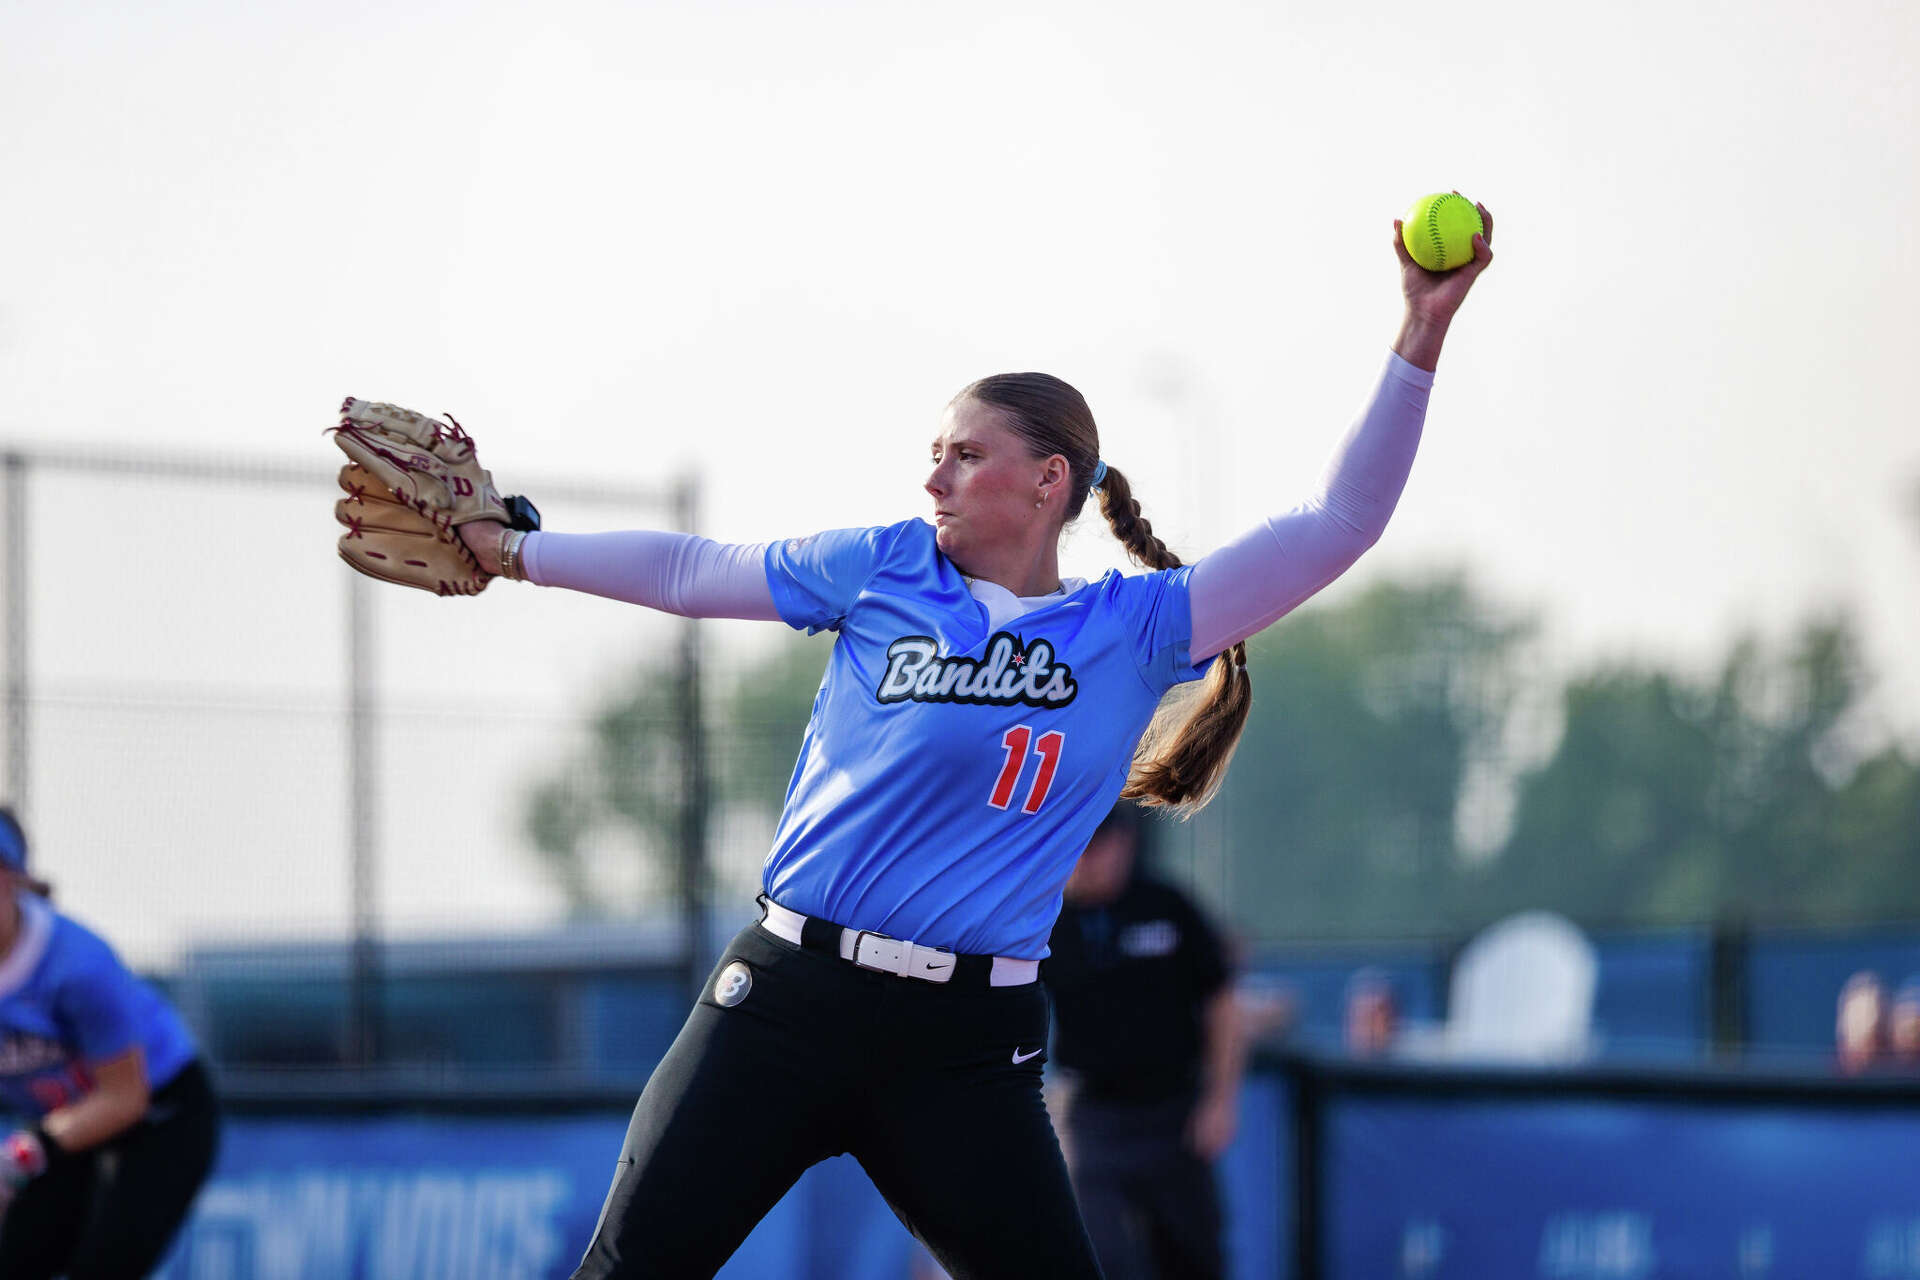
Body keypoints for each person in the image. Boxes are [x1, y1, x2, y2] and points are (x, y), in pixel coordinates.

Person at [452, 208, 1493, 1279]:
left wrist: (1420, 333)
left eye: (964, 454)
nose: (935, 477)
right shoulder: (886, 567)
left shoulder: (1134, 631)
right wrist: (519, 549)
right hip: (786, 1001)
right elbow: (690, 569)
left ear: (1051, 481)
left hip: (963, 1043)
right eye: (934, 454)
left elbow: (1338, 523)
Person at [0, 807, 221, 1279]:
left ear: (13, 881)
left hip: (161, 1116)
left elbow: (125, 1098)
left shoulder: (75, 967)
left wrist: (15, 1159)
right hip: (60, 1130)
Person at [1043, 803, 1244, 1280]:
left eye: (1101, 847)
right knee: (1103, 1255)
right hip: (1095, 1119)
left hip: (1174, 1113)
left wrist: (1220, 1100)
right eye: (1082, 849)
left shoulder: (1167, 907)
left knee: (1193, 1256)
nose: (1091, 860)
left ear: (1125, 844)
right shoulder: (1049, 920)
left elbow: (1223, 1006)